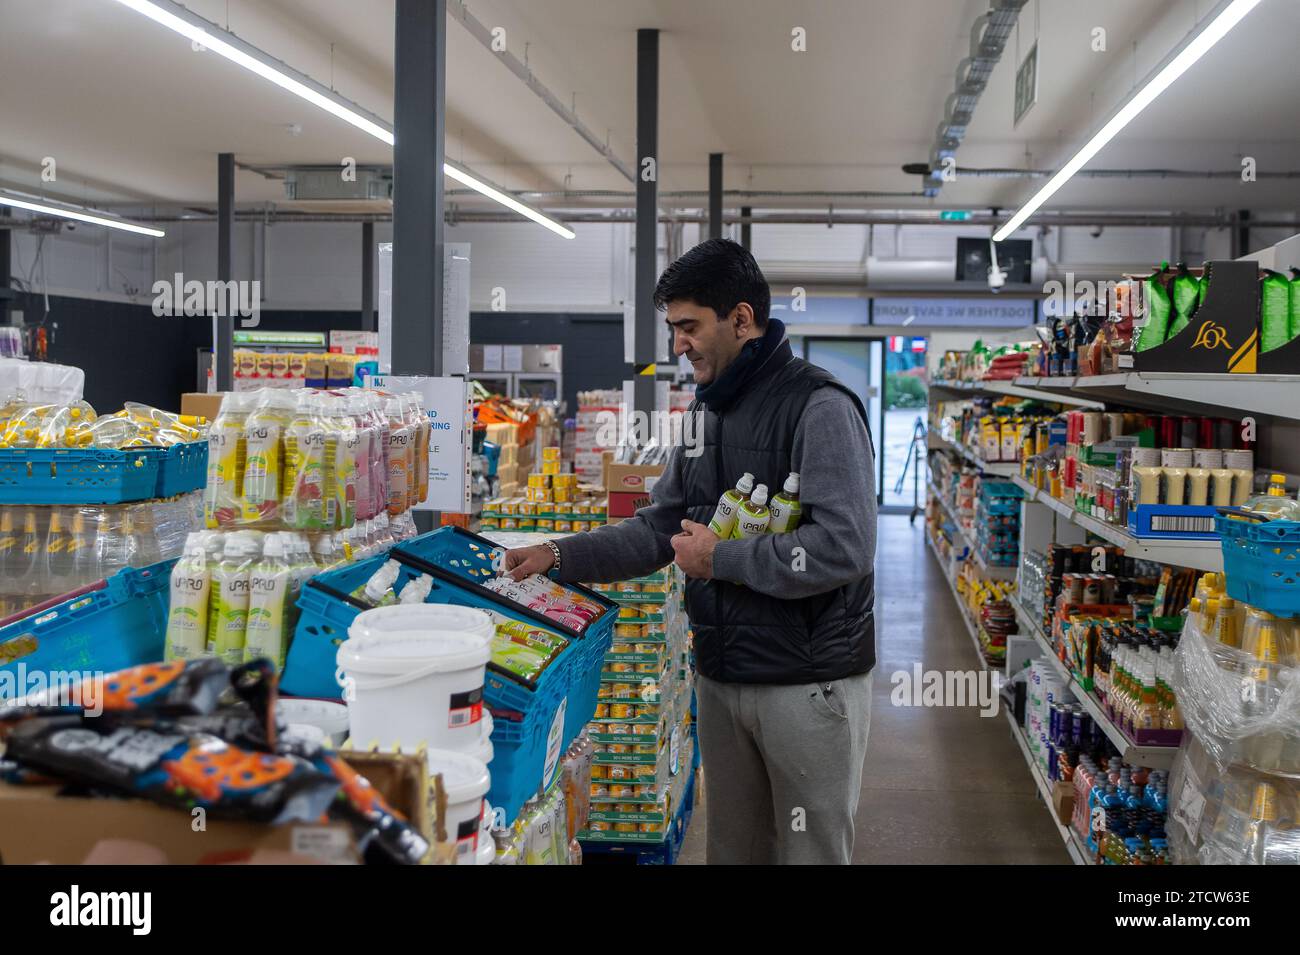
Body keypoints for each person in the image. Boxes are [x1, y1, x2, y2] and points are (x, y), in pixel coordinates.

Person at [504, 238, 877, 864]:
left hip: (807, 684)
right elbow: (660, 529)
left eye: (688, 326)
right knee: (734, 850)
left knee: (810, 852)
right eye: (672, 328)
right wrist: (558, 554)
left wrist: (722, 560)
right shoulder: (705, 415)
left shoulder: (821, 408)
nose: (677, 343)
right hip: (722, 673)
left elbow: (845, 549)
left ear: (740, 319)